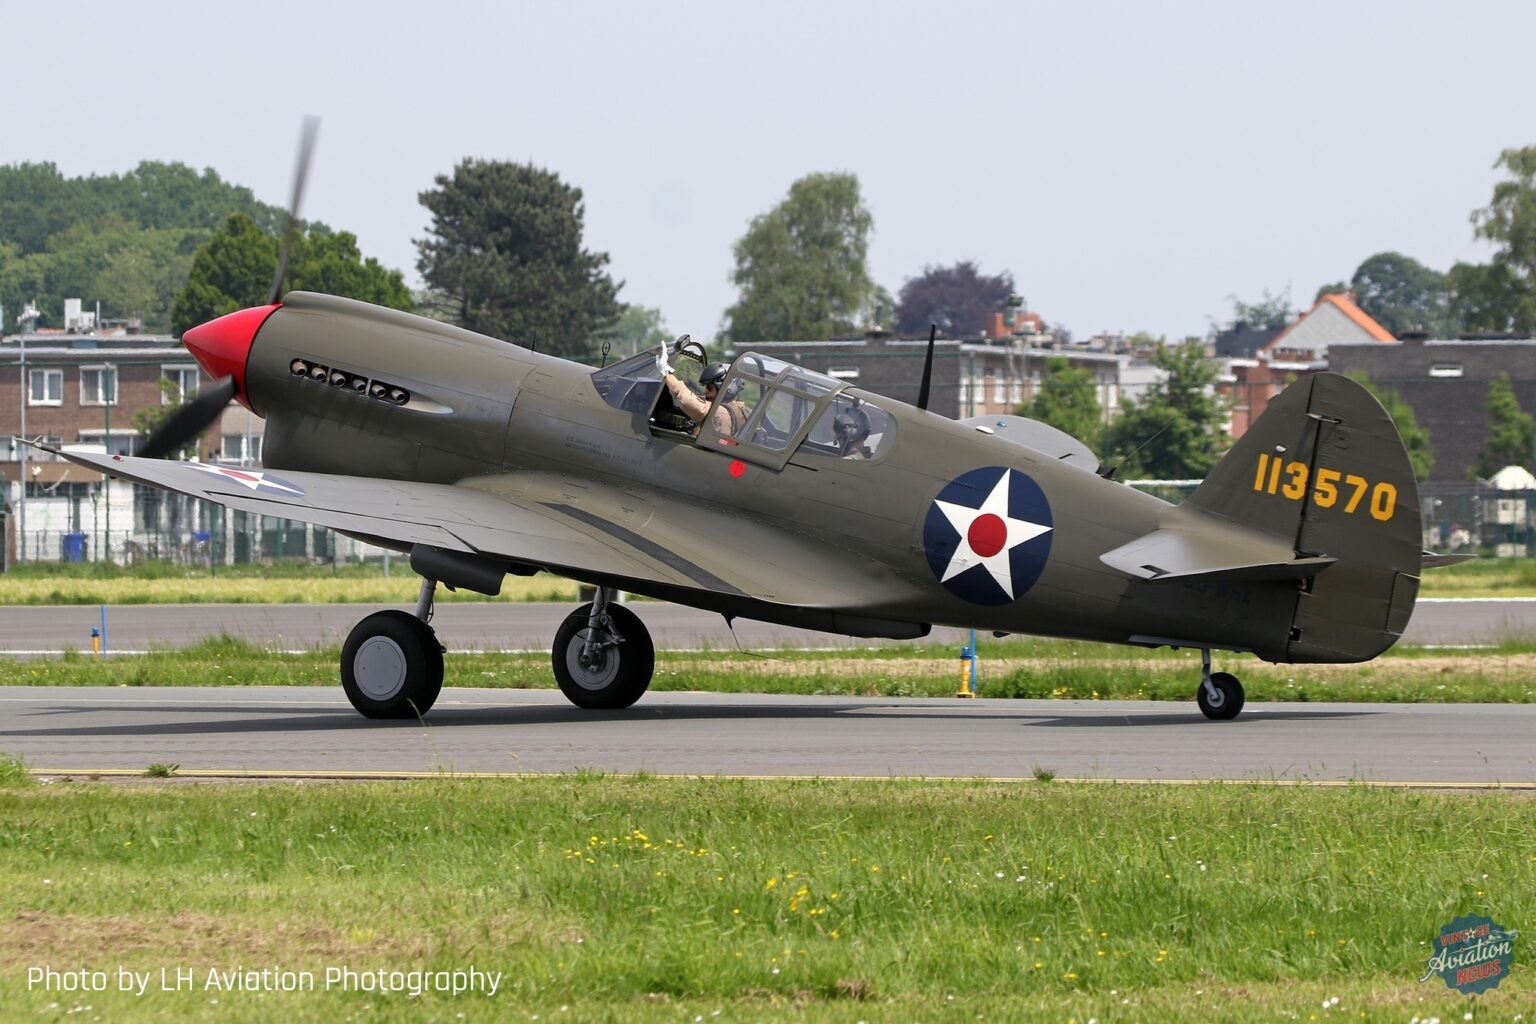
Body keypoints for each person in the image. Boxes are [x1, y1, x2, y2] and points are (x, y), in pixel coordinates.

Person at [656, 345, 748, 437]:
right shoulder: (742, 409)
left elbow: (687, 400)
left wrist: (666, 372)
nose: (705, 392)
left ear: (726, 389)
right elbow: (700, 399)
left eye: (710, 388)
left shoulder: (719, 412)